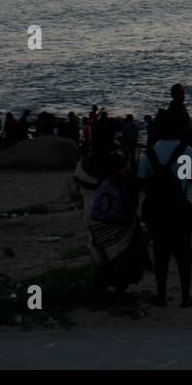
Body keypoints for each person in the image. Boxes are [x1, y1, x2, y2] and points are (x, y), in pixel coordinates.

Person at [73, 124, 149, 297]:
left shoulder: (85, 163)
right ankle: (119, 288)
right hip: (117, 216)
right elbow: (131, 184)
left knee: (98, 251)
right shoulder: (117, 162)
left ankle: (100, 286)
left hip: (92, 215)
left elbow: (79, 186)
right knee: (123, 250)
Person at [137, 110, 192, 308]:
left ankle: (161, 295)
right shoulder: (187, 152)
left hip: (158, 210)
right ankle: (185, 296)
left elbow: (141, 183)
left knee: (160, 253)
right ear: (178, 129)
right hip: (181, 208)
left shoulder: (149, 155)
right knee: (184, 253)